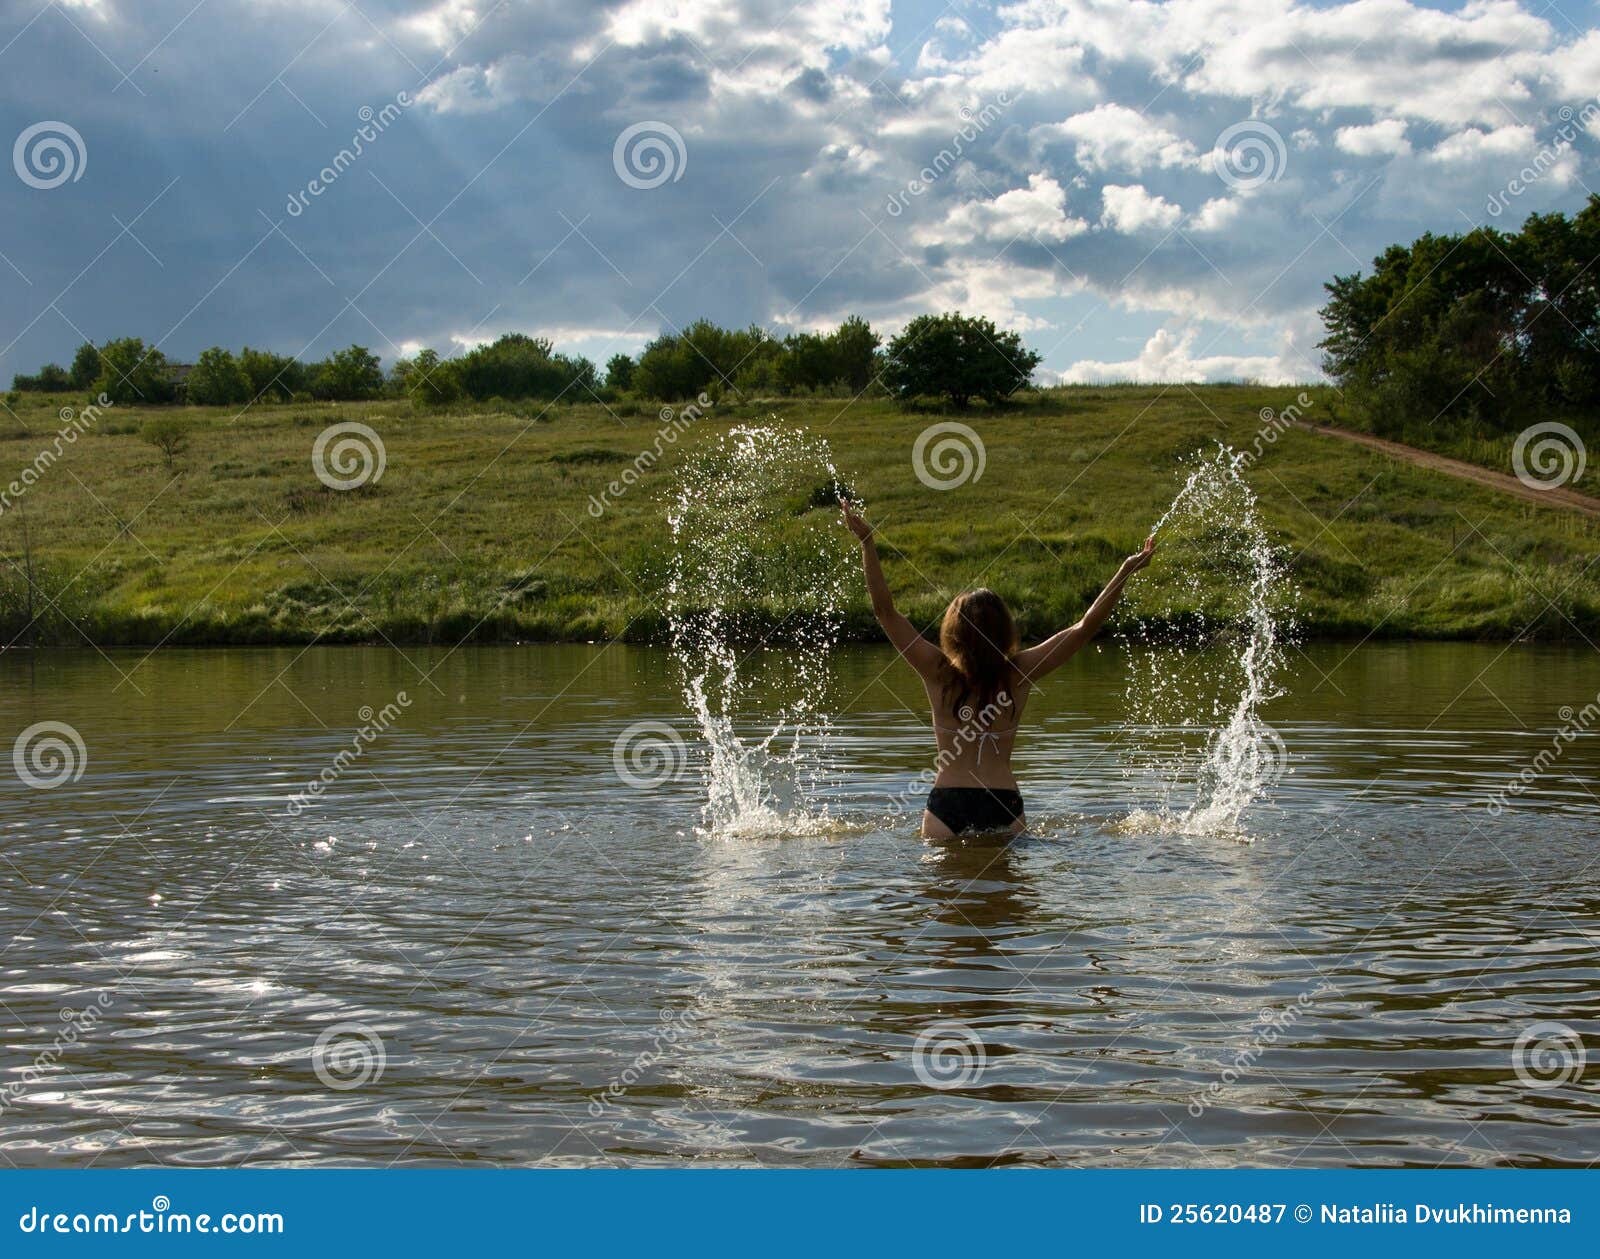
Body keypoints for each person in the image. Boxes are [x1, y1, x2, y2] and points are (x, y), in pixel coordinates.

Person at [840, 499, 1155, 838]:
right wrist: (1125, 570)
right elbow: (1083, 628)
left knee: (946, 889)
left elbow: (885, 612)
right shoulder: (1019, 672)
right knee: (1004, 889)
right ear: (1005, 629)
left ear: (953, 631)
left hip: (948, 802)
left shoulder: (937, 670)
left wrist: (867, 544)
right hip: (1004, 802)